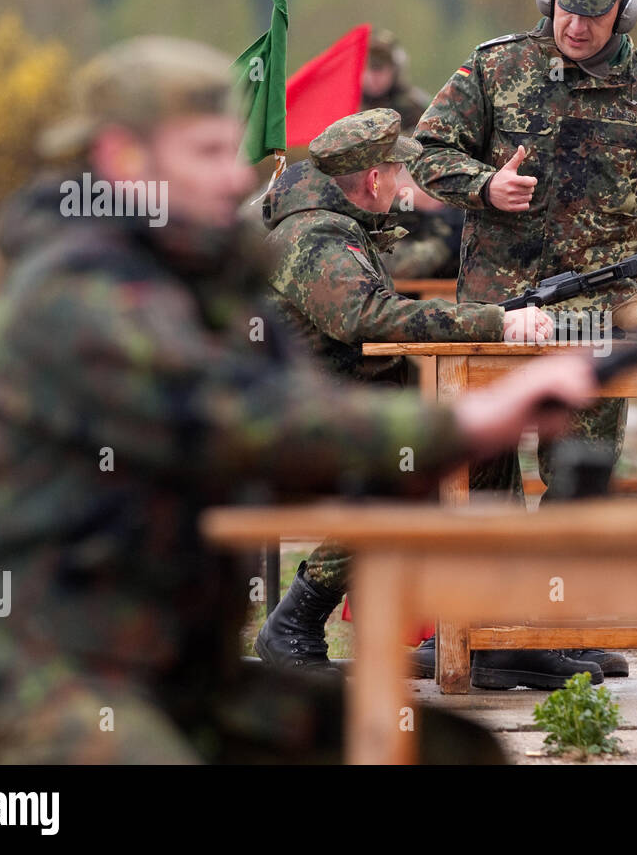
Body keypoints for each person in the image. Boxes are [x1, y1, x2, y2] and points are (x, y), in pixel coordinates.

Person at [0, 36, 595, 764]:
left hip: (175, 673)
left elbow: (288, 425)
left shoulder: (206, 275)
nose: (231, 174)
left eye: (228, 149)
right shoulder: (80, 290)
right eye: (206, 153)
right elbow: (245, 422)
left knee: (448, 751)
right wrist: (466, 419)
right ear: (124, 161)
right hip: (38, 672)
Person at [412, 0, 637, 682]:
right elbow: (426, 150)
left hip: (602, 316)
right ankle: (482, 629)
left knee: (579, 473)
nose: (576, 26)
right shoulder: (496, 68)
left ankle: (554, 628)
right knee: (483, 469)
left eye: (594, 15)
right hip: (500, 313)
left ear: (625, 12)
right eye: (565, 9)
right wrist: (484, 186)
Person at [253, 108, 597, 689]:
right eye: (396, 170)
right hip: (310, 418)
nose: (403, 184)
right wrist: (496, 321)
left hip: (343, 404)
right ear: (371, 180)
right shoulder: (313, 235)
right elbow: (367, 316)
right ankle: (294, 623)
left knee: (482, 449)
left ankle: (486, 631)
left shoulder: (331, 226)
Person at [362, 29, 462, 280]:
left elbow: (432, 158)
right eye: (368, 69)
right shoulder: (348, 107)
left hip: (413, 211)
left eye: (379, 69)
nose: (373, 77)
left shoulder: (416, 109)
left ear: (393, 70)